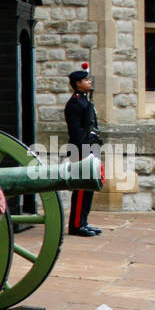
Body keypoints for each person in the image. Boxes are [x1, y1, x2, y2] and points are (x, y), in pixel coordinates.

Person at [64, 69, 102, 235]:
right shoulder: (74, 104)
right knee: (81, 188)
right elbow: (76, 131)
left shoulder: (84, 101)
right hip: (80, 149)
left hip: (89, 147)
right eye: (86, 80)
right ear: (78, 84)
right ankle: (76, 225)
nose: (89, 82)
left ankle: (83, 221)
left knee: (88, 187)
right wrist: (85, 147)